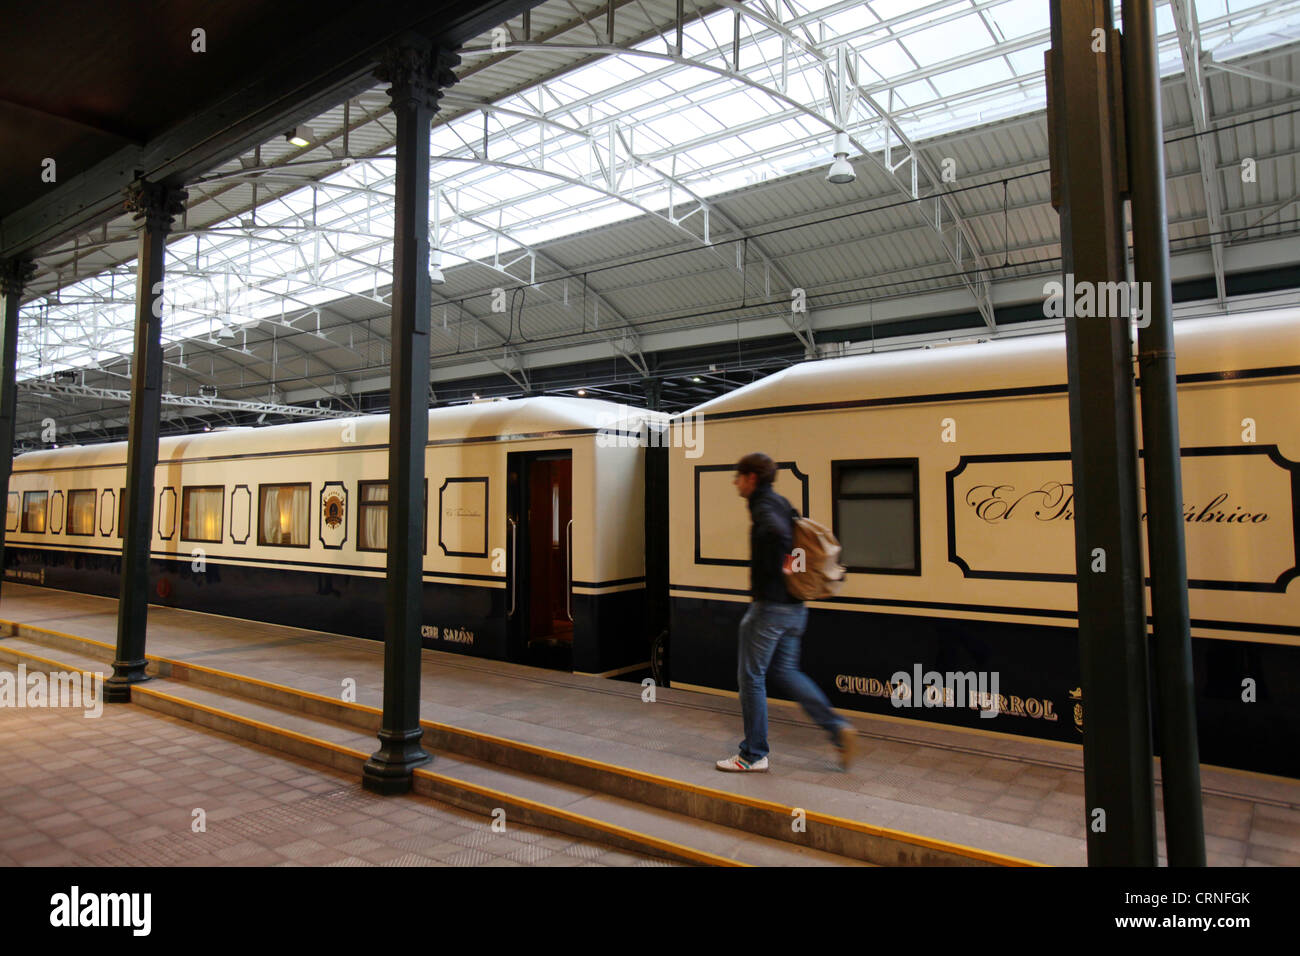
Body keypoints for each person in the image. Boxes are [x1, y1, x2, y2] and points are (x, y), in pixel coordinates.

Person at [716, 452, 856, 773]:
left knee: (751, 677)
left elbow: (779, 534)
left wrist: (781, 574)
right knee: (787, 672)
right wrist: (792, 571)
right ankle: (837, 728)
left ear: (752, 478)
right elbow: (792, 536)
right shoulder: (782, 502)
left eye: (738, 476)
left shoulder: (763, 505)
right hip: (795, 608)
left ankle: (753, 754)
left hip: (771, 607)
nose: (736, 482)